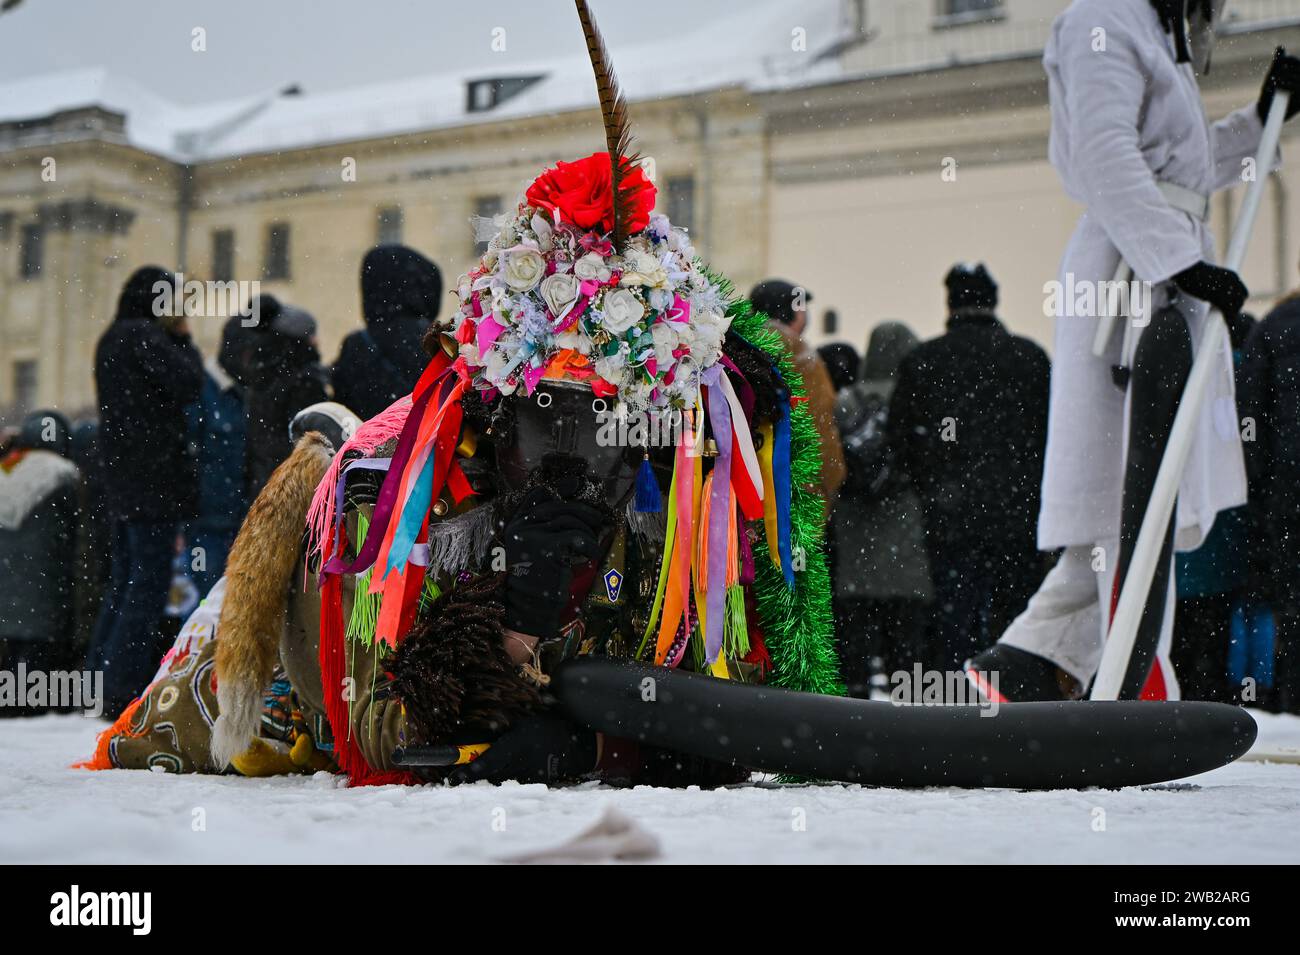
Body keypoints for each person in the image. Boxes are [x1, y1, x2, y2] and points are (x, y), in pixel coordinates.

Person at [81, 3, 842, 786]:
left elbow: (721, 674)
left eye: (602, 410)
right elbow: (381, 729)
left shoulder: (667, 504)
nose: (576, 441)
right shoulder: (418, 497)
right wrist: (514, 650)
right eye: (549, 407)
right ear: (503, 399)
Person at [967, 2, 1300, 702]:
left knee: (1142, 494)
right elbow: (1104, 152)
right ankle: (1125, 674)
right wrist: (1177, 260)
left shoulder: (1153, 32)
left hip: (1158, 270)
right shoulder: (1103, 21)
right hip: (1127, 278)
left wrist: (1264, 116)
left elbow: (1189, 164)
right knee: (1129, 487)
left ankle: (1038, 664)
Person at [86, 265, 204, 715]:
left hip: (122, 479)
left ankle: (100, 677)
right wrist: (183, 337)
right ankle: (120, 689)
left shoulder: (112, 337)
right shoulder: (145, 337)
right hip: (152, 481)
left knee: (124, 582)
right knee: (145, 586)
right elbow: (190, 383)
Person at [831, 323, 933, 696]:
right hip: (903, 529)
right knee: (904, 640)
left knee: (855, 634)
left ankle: (853, 702)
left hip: (855, 528)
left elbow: (834, 464)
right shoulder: (916, 402)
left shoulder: (844, 401)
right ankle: (906, 705)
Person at [1171, 311, 1255, 703]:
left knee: (1181, 639)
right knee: (1216, 634)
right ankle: (1215, 704)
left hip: (1181, 533)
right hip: (1227, 530)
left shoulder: (1182, 366)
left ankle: (1182, 705)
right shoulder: (1242, 373)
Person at [1240, 276, 1300, 713]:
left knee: (1292, 608)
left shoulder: (1274, 327)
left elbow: (1251, 426)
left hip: (1288, 491)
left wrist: (1260, 495)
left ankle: (1293, 699)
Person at [0, 410, 80, 714]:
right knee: (33, 679)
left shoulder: (6, 469)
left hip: (7, 601)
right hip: (45, 596)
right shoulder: (65, 475)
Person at [750, 279, 846, 509]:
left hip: (747, 481)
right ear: (791, 311)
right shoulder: (802, 357)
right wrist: (831, 479)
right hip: (797, 488)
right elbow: (819, 421)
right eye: (802, 307)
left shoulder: (740, 347)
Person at [331, 245, 441, 421]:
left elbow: (343, 410)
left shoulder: (356, 344)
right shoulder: (437, 339)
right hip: (428, 443)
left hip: (368, 444)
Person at [185, 316, 252, 596]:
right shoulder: (201, 390)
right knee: (206, 604)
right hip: (206, 522)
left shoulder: (246, 393)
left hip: (239, 519)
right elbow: (187, 456)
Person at [243, 295, 329, 499]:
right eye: (312, 336)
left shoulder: (261, 370)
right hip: (296, 486)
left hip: (266, 480)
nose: (317, 341)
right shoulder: (305, 379)